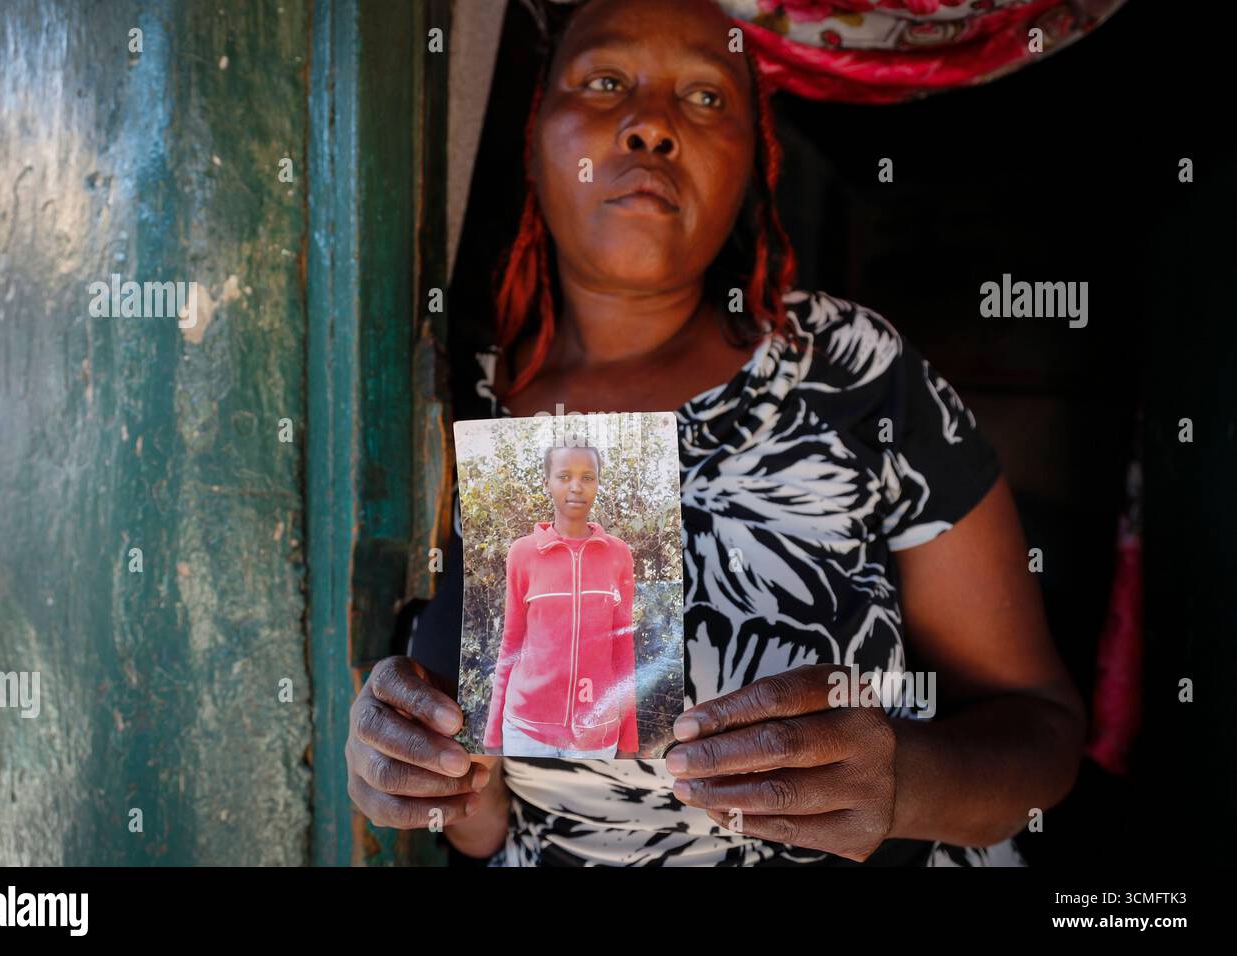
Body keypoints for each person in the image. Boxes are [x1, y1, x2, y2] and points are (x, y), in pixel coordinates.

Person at [346, 0, 1085, 866]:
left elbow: (1043, 727)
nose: (652, 125)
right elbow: (499, 823)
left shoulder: (850, 370)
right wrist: (422, 777)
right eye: (607, 81)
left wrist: (909, 783)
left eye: (704, 99)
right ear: (535, 129)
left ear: (753, 162)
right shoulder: (455, 406)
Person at [482, 443, 639, 759]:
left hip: (595, 736)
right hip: (526, 730)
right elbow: (510, 644)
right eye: (564, 476)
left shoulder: (618, 554)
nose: (576, 487)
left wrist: (629, 738)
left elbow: (623, 650)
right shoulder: (522, 553)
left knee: (586, 811)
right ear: (547, 483)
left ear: (597, 483)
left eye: (587, 477)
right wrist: (493, 730)